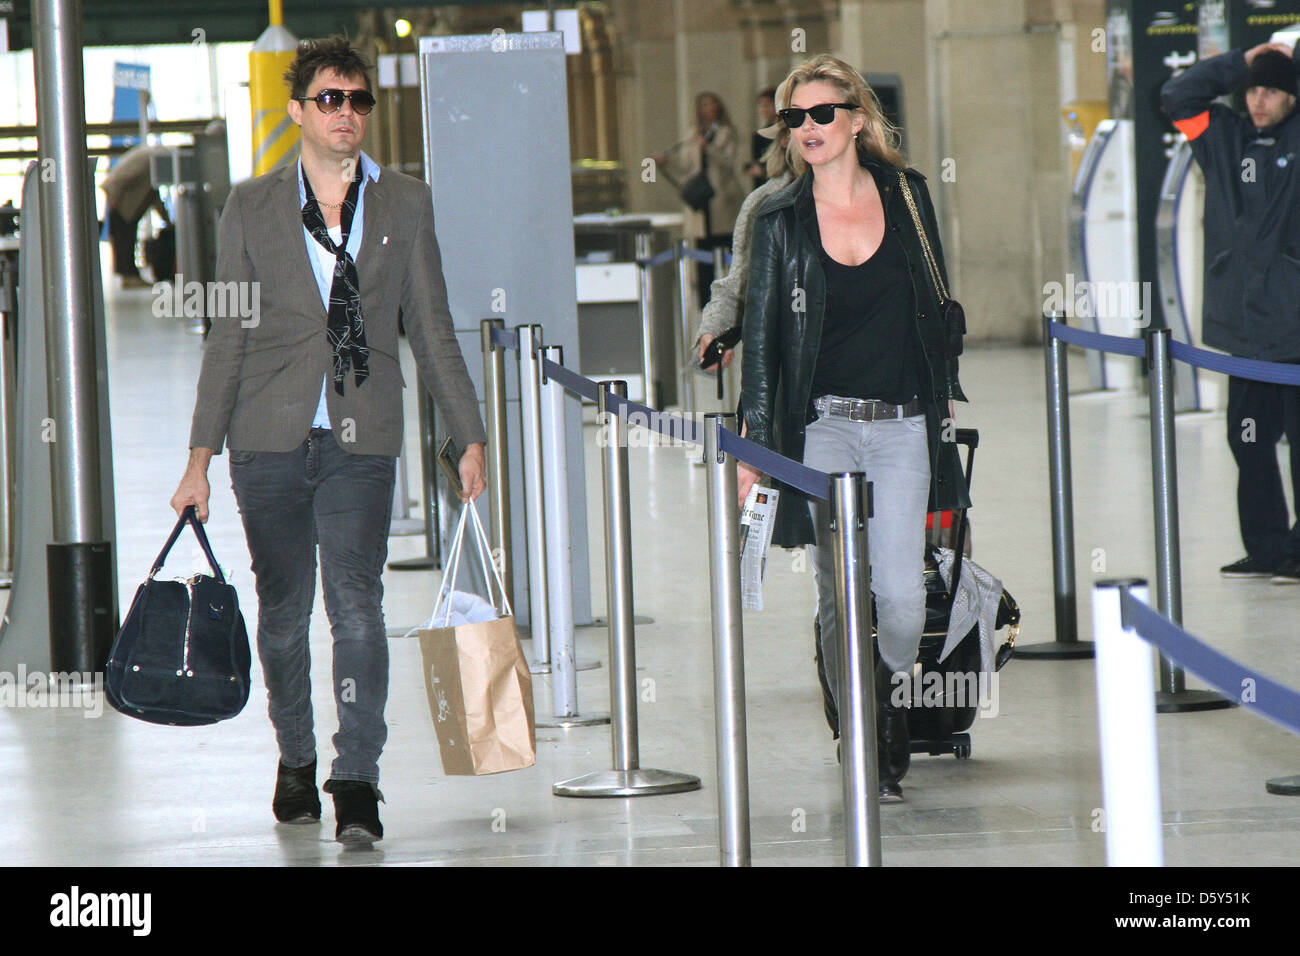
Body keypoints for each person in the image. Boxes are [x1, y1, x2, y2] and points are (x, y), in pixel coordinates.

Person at [169, 36, 488, 844]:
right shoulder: (250, 207)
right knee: (283, 616)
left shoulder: (405, 203)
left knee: (357, 607)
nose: (347, 114)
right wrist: (199, 460)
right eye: (330, 99)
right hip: (267, 438)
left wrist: (468, 435)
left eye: (359, 100)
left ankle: (358, 779)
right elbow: (227, 337)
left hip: (361, 434)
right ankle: (297, 761)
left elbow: (434, 328)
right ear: (298, 111)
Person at [737, 55, 968, 802]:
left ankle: (882, 687)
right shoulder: (777, 219)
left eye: (821, 113)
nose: (807, 128)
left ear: (856, 120)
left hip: (901, 423)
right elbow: (766, 338)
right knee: (841, 593)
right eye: (793, 118)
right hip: (823, 429)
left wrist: (942, 393)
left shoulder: (908, 196)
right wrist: (754, 444)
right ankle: (863, 732)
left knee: (900, 596)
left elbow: (935, 300)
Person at [1162, 42, 1300, 583]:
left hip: (1293, 325)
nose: (1259, 100)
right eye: (1254, 90)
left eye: (1272, 90)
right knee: (1247, 437)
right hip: (1244, 328)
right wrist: (1242, 61)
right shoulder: (1222, 136)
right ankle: (1266, 547)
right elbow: (1176, 94)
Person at [696, 81, 794, 373]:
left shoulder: (887, 191)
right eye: (796, 123)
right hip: (791, 369)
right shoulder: (763, 203)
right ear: (784, 138)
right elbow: (736, 284)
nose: (811, 131)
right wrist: (714, 330)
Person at [651, 92, 745, 306]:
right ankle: (706, 301)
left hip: (721, 199)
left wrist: (708, 148)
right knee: (702, 255)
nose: (709, 108)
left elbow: (728, 162)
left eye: (712, 103)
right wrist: (666, 163)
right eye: (704, 104)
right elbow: (686, 168)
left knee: (725, 250)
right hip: (701, 202)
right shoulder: (693, 133)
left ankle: (730, 301)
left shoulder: (726, 132)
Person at [101, 143, 172, 288]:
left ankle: (130, 276)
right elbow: (120, 179)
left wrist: (167, 220)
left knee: (126, 239)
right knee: (123, 240)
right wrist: (114, 199)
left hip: (124, 204)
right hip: (120, 202)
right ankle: (129, 277)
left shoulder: (153, 162)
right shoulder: (148, 161)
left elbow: (154, 195)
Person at [746, 87, 778, 189]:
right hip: (765, 184)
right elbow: (757, 160)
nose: (764, 109)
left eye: (768, 105)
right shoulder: (758, 135)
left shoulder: (786, 132)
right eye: (761, 105)